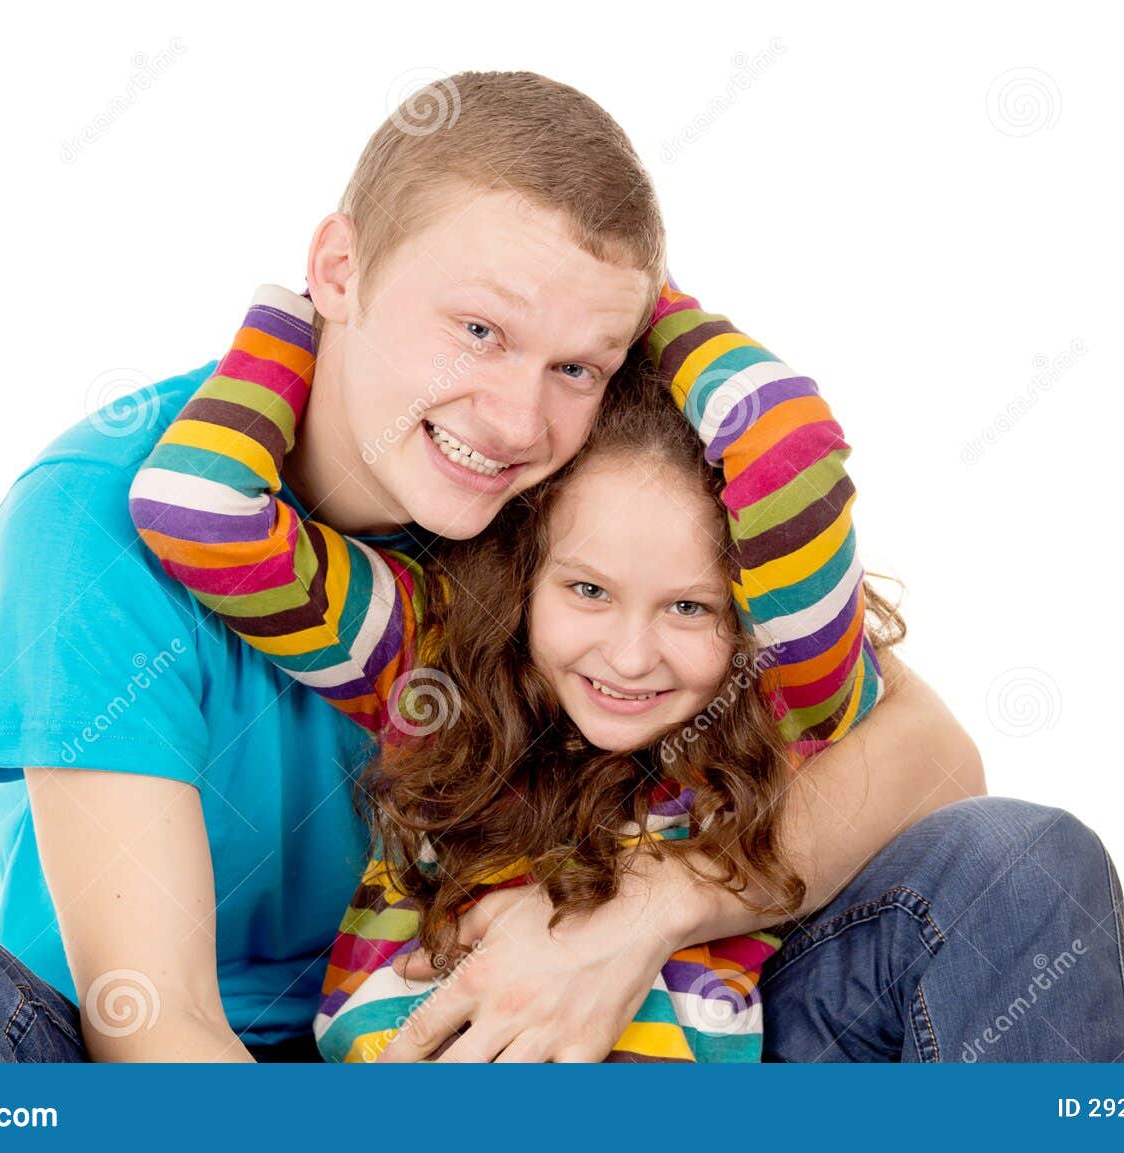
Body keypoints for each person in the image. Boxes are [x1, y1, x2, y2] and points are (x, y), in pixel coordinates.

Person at [0, 71, 1124, 1064]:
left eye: (575, 364)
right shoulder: (91, 526)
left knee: (1019, 865)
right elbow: (161, 1020)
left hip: (602, 1043)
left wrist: (635, 927)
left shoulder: (567, 488)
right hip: (198, 1080)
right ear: (340, 272)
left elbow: (927, 750)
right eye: (477, 327)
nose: (514, 419)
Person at [127, 277, 888, 1061]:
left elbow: (788, 441)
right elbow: (197, 509)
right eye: (587, 589)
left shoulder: (780, 697)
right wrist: (306, 312)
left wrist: (642, 295)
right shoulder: (440, 664)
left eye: (689, 608)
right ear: (523, 573)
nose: (629, 656)